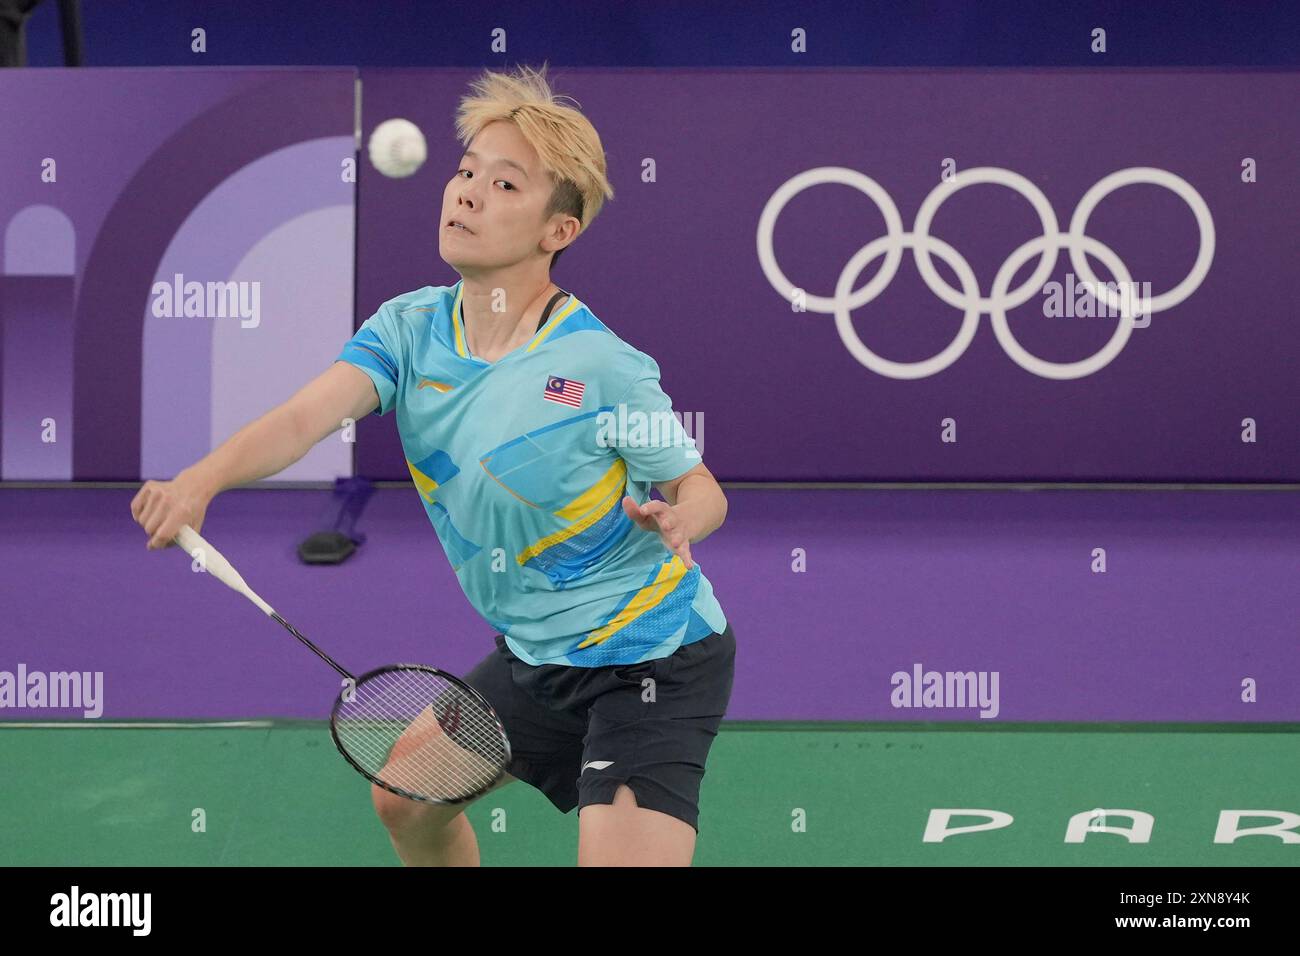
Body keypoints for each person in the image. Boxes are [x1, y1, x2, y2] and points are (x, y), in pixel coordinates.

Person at [131, 64, 735, 867]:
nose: (468, 194)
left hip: (651, 658)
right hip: (535, 658)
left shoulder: (598, 368)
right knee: (406, 797)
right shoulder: (409, 330)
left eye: (505, 184)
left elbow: (701, 488)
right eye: (465, 173)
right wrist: (199, 480)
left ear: (559, 231)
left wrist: (682, 516)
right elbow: (305, 417)